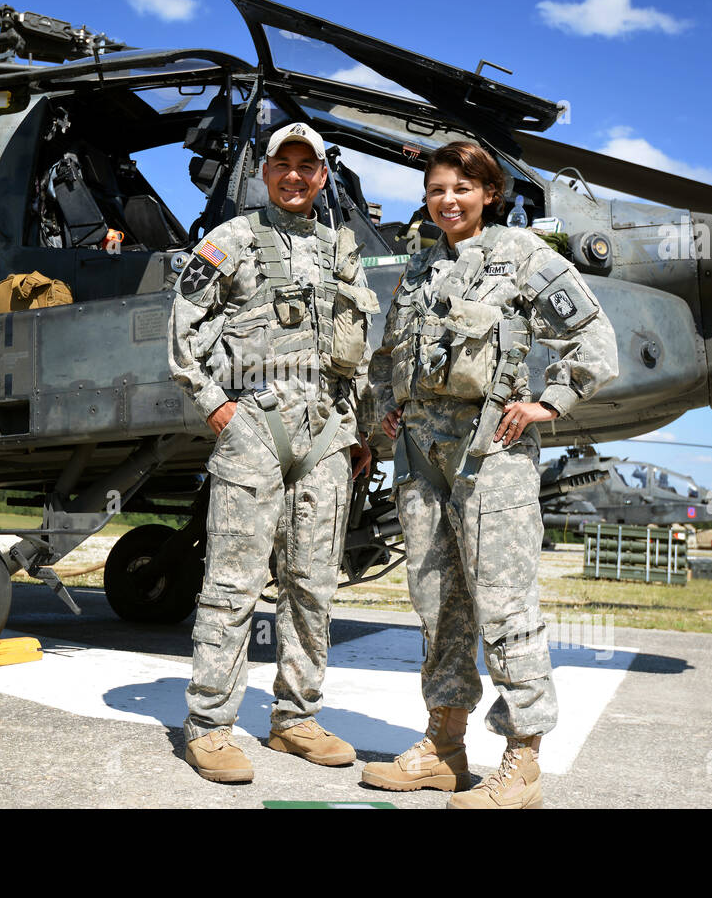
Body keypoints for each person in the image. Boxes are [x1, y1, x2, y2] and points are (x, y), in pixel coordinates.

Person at [361, 141, 618, 808]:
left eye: (462, 189)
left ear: (489, 194)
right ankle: (444, 748)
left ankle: (523, 761)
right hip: (421, 462)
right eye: (437, 188)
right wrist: (388, 409)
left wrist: (547, 402)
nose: (448, 199)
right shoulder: (417, 267)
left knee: (505, 607)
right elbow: (392, 349)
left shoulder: (526, 257)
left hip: (490, 460)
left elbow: (595, 343)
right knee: (439, 607)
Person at [168, 122, 378, 783]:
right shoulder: (229, 241)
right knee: (231, 583)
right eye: (281, 164)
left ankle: (295, 718)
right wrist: (215, 406)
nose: (294, 175)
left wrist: (359, 428)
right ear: (265, 174)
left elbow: (358, 341)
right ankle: (208, 725)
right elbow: (182, 330)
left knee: (313, 585)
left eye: (306, 165)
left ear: (322, 175)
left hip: (328, 435)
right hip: (255, 426)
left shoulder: (344, 248)